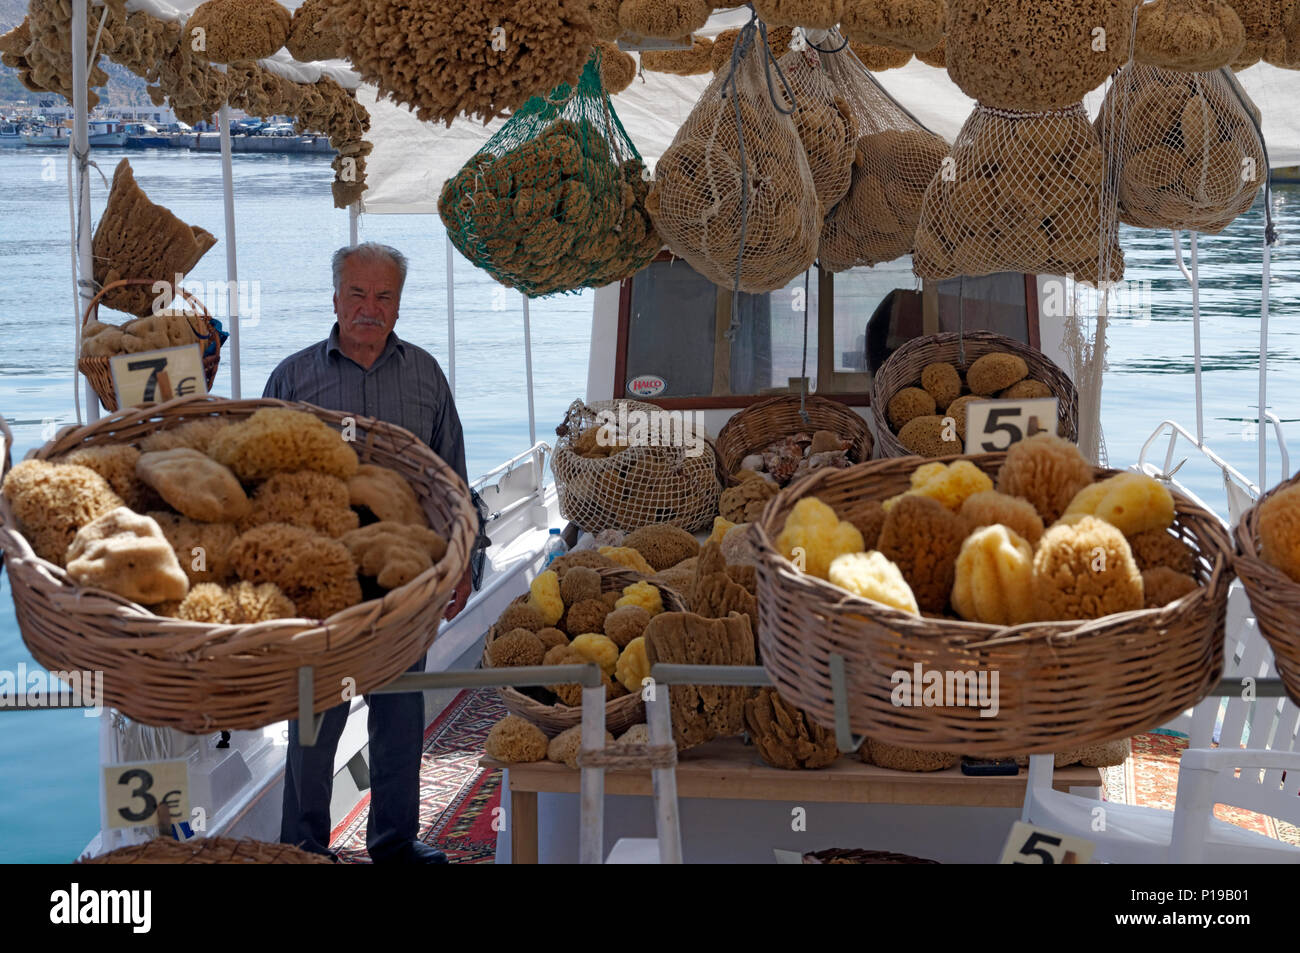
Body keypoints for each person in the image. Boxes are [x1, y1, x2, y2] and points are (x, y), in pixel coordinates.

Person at [265, 242, 471, 864]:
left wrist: (465, 563)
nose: (369, 309)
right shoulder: (293, 378)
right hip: (320, 583)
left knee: (400, 718)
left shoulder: (426, 374)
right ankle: (301, 848)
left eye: (383, 297)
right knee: (311, 722)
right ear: (335, 299)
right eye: (357, 294)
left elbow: (452, 481)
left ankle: (393, 843)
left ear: (399, 305)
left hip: (405, 580)